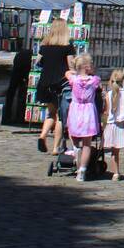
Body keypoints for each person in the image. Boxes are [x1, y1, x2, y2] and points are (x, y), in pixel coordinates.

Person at [35, 19, 76, 168]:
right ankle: (55, 147)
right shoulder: (67, 47)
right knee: (60, 115)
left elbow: (38, 62)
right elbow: (71, 64)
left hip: (45, 82)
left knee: (50, 113)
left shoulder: (44, 45)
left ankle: (43, 135)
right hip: (61, 82)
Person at [65, 54, 101, 182]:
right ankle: (82, 170)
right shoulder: (95, 80)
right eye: (91, 64)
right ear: (87, 67)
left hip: (75, 110)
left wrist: (75, 70)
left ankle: (75, 149)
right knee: (87, 143)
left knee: (73, 134)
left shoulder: (73, 79)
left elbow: (67, 73)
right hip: (88, 111)